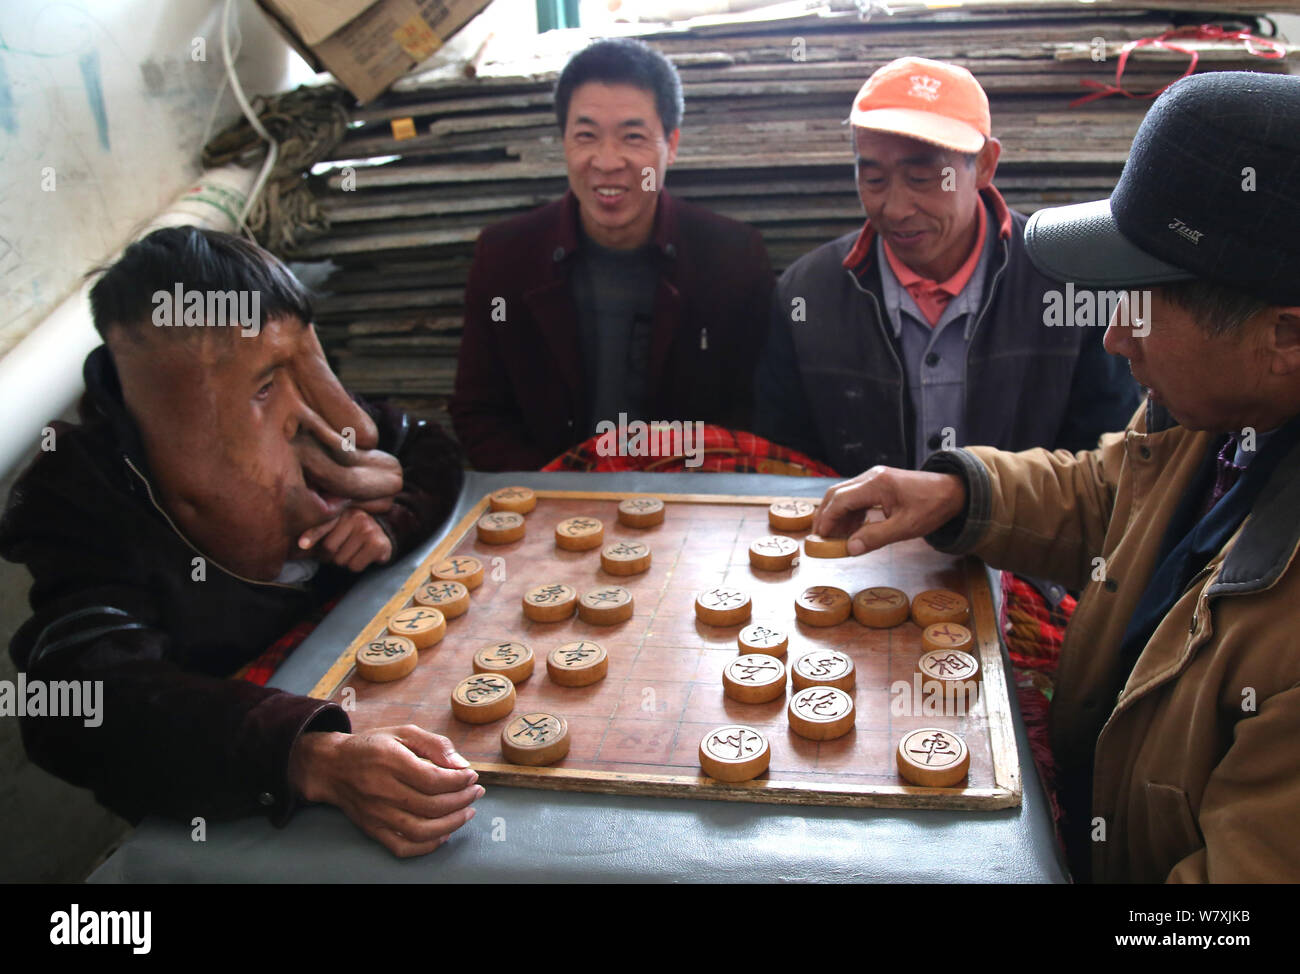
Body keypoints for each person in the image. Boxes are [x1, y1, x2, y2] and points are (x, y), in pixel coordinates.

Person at [811, 71, 1300, 882]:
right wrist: (961, 490)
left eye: (1140, 304)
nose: (1112, 338)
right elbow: (1113, 491)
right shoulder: (1216, 414)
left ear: (1284, 334)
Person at [0, 227, 480, 858]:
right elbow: (82, 702)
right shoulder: (91, 503)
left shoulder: (316, 416)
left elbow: (423, 447)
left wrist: (390, 522)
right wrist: (308, 756)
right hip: (232, 813)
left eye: (305, 362)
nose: (344, 425)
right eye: (264, 384)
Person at [756, 57, 1138, 476]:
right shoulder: (808, 294)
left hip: (1025, 542)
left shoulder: (1069, 283)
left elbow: (1105, 466)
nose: (896, 209)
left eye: (923, 178)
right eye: (874, 180)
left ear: (986, 165)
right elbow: (786, 468)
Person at [450, 37, 774, 471]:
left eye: (632, 137)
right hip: (545, 503)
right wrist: (554, 497)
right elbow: (479, 411)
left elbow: (756, 411)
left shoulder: (733, 258)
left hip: (690, 504)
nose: (606, 162)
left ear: (671, 145)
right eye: (586, 136)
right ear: (564, 141)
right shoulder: (506, 258)